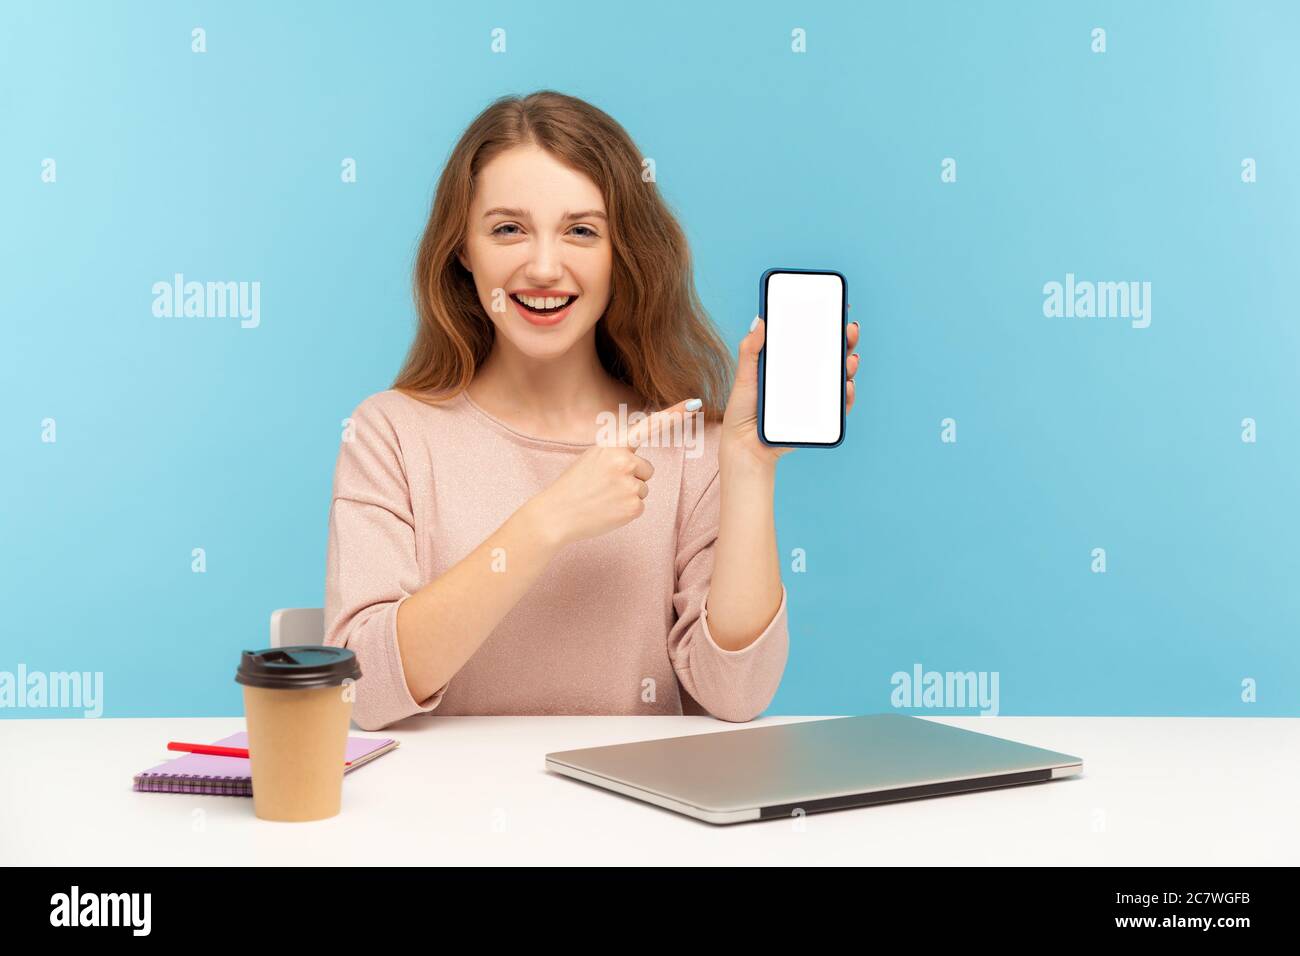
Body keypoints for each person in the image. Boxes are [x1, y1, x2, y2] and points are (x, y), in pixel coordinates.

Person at [324, 90, 860, 731]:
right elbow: (364, 690)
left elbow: (736, 694)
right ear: (462, 250)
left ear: (620, 253)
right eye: (507, 229)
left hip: (637, 823)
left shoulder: (689, 444)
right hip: (441, 824)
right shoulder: (390, 433)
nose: (545, 267)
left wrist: (746, 464)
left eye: (581, 231)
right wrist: (548, 521)